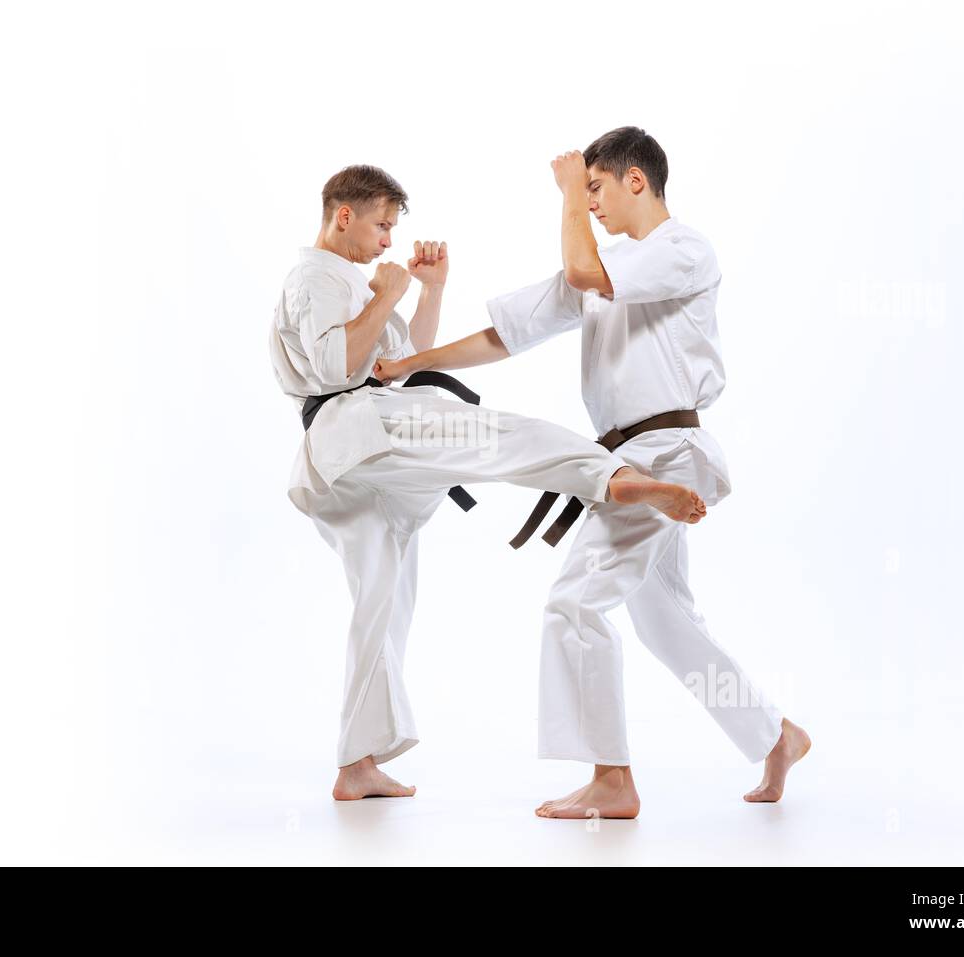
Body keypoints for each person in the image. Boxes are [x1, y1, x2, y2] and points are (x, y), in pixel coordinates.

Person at [373, 128, 811, 818]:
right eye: (586, 192)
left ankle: (612, 777)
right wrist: (407, 366)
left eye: (597, 188)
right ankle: (774, 734)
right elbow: (505, 335)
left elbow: (582, 271)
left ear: (636, 180)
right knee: (666, 623)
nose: (590, 203)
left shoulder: (682, 249)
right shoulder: (600, 266)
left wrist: (568, 191)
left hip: (665, 452)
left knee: (574, 605)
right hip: (628, 460)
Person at [270, 163, 709, 802]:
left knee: (382, 603)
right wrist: (387, 294)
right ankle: (609, 475)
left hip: (357, 451)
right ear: (345, 216)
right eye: (382, 225)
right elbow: (340, 368)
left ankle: (355, 764)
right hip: (355, 427)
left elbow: (393, 368)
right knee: (493, 436)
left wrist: (428, 292)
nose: (388, 242)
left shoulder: (350, 280)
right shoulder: (315, 276)